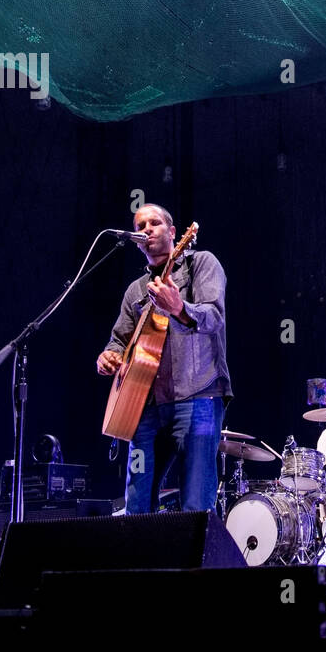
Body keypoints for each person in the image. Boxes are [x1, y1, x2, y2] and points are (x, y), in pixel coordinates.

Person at [96, 204, 232, 513]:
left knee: (195, 502)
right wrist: (109, 355)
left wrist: (179, 307)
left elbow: (214, 317)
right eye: (140, 225)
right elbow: (119, 339)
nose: (146, 229)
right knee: (136, 503)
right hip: (144, 405)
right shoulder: (135, 290)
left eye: (154, 223)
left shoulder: (201, 264)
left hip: (197, 396)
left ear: (173, 233)